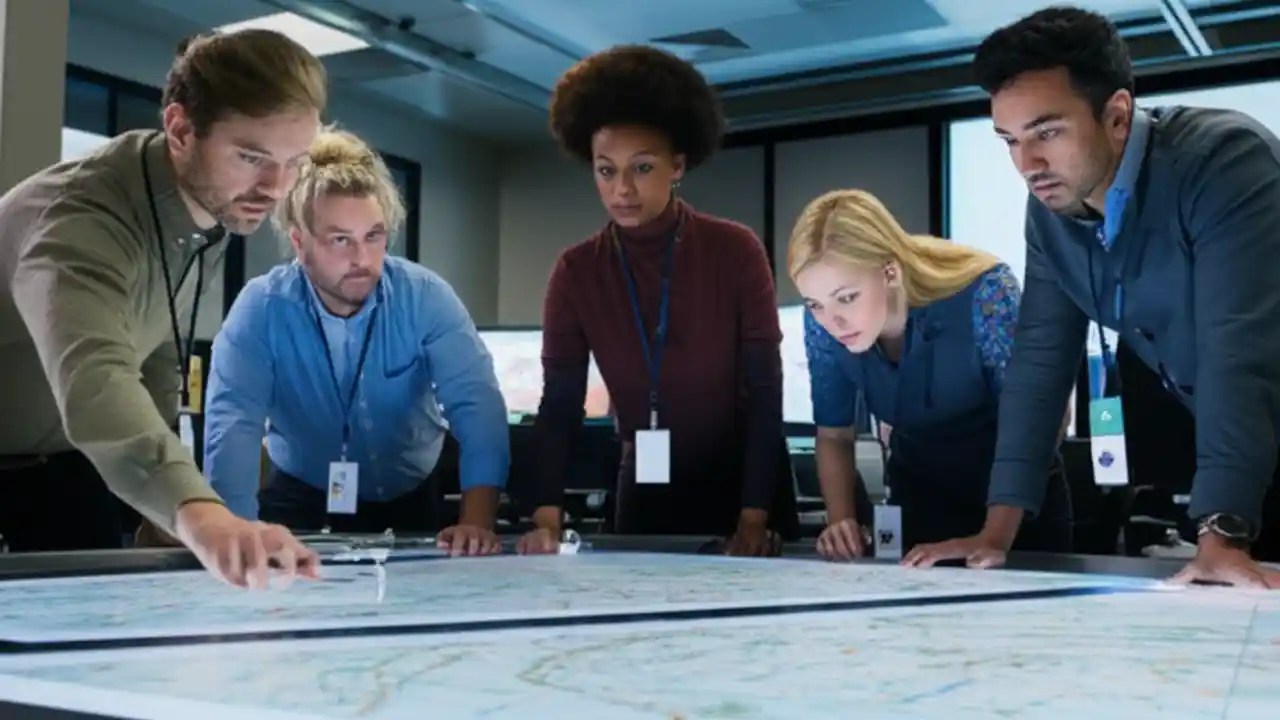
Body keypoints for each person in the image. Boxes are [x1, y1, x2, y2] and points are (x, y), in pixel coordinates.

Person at [903, 6, 1280, 589]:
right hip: (1245, 456)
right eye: (1010, 140)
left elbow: (1239, 351)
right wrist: (995, 533)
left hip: (1252, 428)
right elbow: (1040, 360)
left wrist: (1221, 532)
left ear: (1118, 117)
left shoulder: (1225, 162)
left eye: (1047, 132)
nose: (1027, 164)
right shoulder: (1051, 212)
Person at [0, 30, 325, 587]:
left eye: (294, 162)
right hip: (63, 429)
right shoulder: (81, 219)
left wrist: (168, 507)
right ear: (179, 128)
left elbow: (155, 356)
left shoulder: (210, 212)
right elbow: (96, 379)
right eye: (251, 156)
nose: (275, 188)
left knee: (96, 622)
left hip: (60, 462)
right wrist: (201, 515)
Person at [518, 45, 798, 555]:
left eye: (642, 168)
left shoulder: (734, 249)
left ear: (678, 164)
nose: (622, 188)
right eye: (606, 170)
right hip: (644, 490)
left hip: (747, 494)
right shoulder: (577, 271)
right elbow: (560, 404)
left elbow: (765, 391)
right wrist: (546, 514)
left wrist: (754, 515)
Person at [203, 129, 510, 557]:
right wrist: (236, 538)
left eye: (374, 236)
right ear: (299, 241)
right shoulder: (260, 310)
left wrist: (477, 523)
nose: (362, 260)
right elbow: (232, 426)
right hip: (302, 491)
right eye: (340, 240)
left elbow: (477, 407)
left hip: (413, 492)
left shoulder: (425, 297)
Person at [791, 189, 1071, 560]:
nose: (832, 321)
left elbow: (1046, 416)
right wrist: (841, 523)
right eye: (815, 304)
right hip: (920, 500)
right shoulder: (824, 326)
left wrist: (994, 536)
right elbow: (833, 434)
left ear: (889, 271)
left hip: (1015, 509)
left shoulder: (984, 295)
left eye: (846, 297)